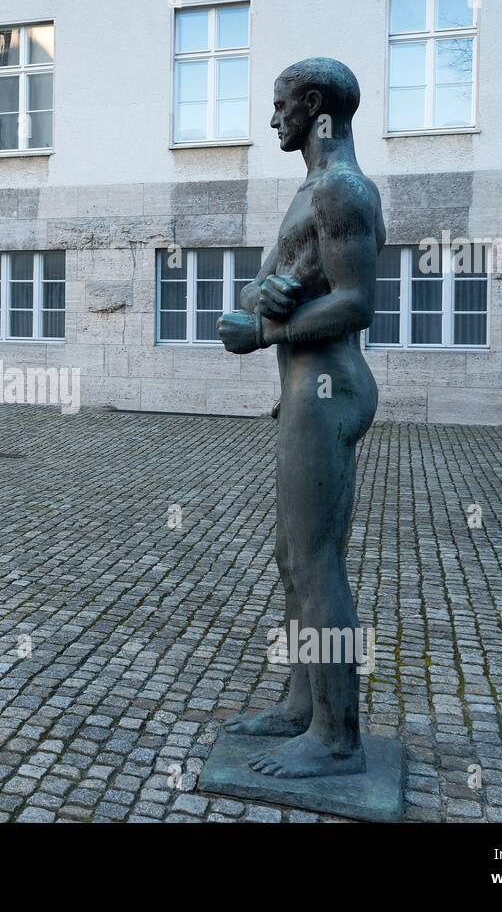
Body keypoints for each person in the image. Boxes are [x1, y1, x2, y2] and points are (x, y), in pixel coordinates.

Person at [217, 58, 386, 778]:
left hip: (328, 388)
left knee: (319, 566)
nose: (274, 117)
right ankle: (299, 704)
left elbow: (356, 303)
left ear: (313, 105)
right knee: (294, 561)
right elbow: (270, 284)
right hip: (301, 389)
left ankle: (337, 737)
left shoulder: (343, 189)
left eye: (282, 103)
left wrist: (263, 330)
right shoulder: (310, 192)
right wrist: (265, 296)